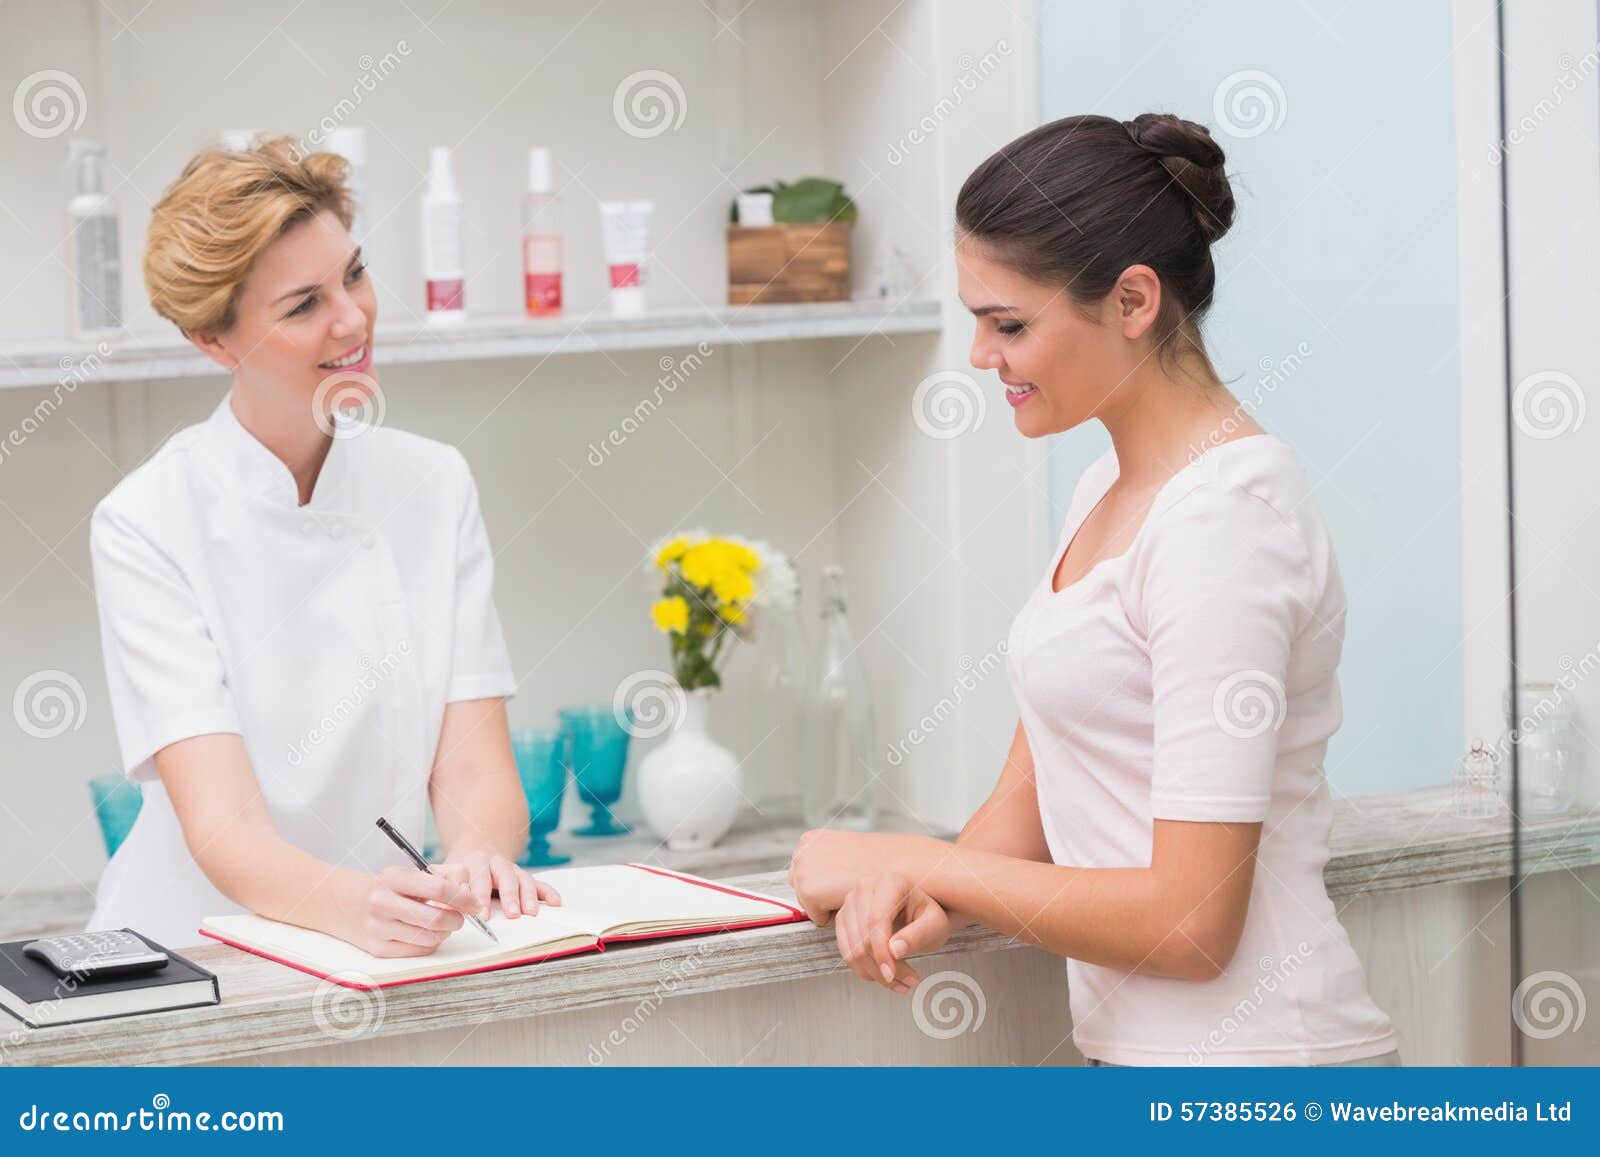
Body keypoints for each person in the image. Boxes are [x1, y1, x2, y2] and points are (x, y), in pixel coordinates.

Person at [788, 113, 1400, 1067]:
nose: (982, 358)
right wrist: (919, 896)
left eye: (1010, 324)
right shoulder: (1105, 498)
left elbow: (1193, 924)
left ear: (1132, 300)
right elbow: (1029, 804)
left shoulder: (1226, 519)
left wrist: (905, 857)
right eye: (977, 323)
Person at [86, 136, 559, 954]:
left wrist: (479, 857)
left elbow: (474, 762)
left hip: (387, 945)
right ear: (215, 341)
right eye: (302, 305)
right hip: (195, 955)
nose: (353, 318)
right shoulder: (146, 522)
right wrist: (358, 908)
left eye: (355, 274)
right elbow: (225, 826)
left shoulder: (433, 482)